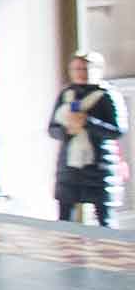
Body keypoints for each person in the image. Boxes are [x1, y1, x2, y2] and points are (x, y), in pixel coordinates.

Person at [51, 51, 122, 227]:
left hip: (99, 167)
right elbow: (52, 129)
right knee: (65, 220)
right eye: (77, 69)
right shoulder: (66, 94)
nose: (81, 73)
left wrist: (88, 123)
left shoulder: (107, 96)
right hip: (70, 169)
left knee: (105, 221)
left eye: (85, 68)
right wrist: (68, 129)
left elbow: (117, 130)